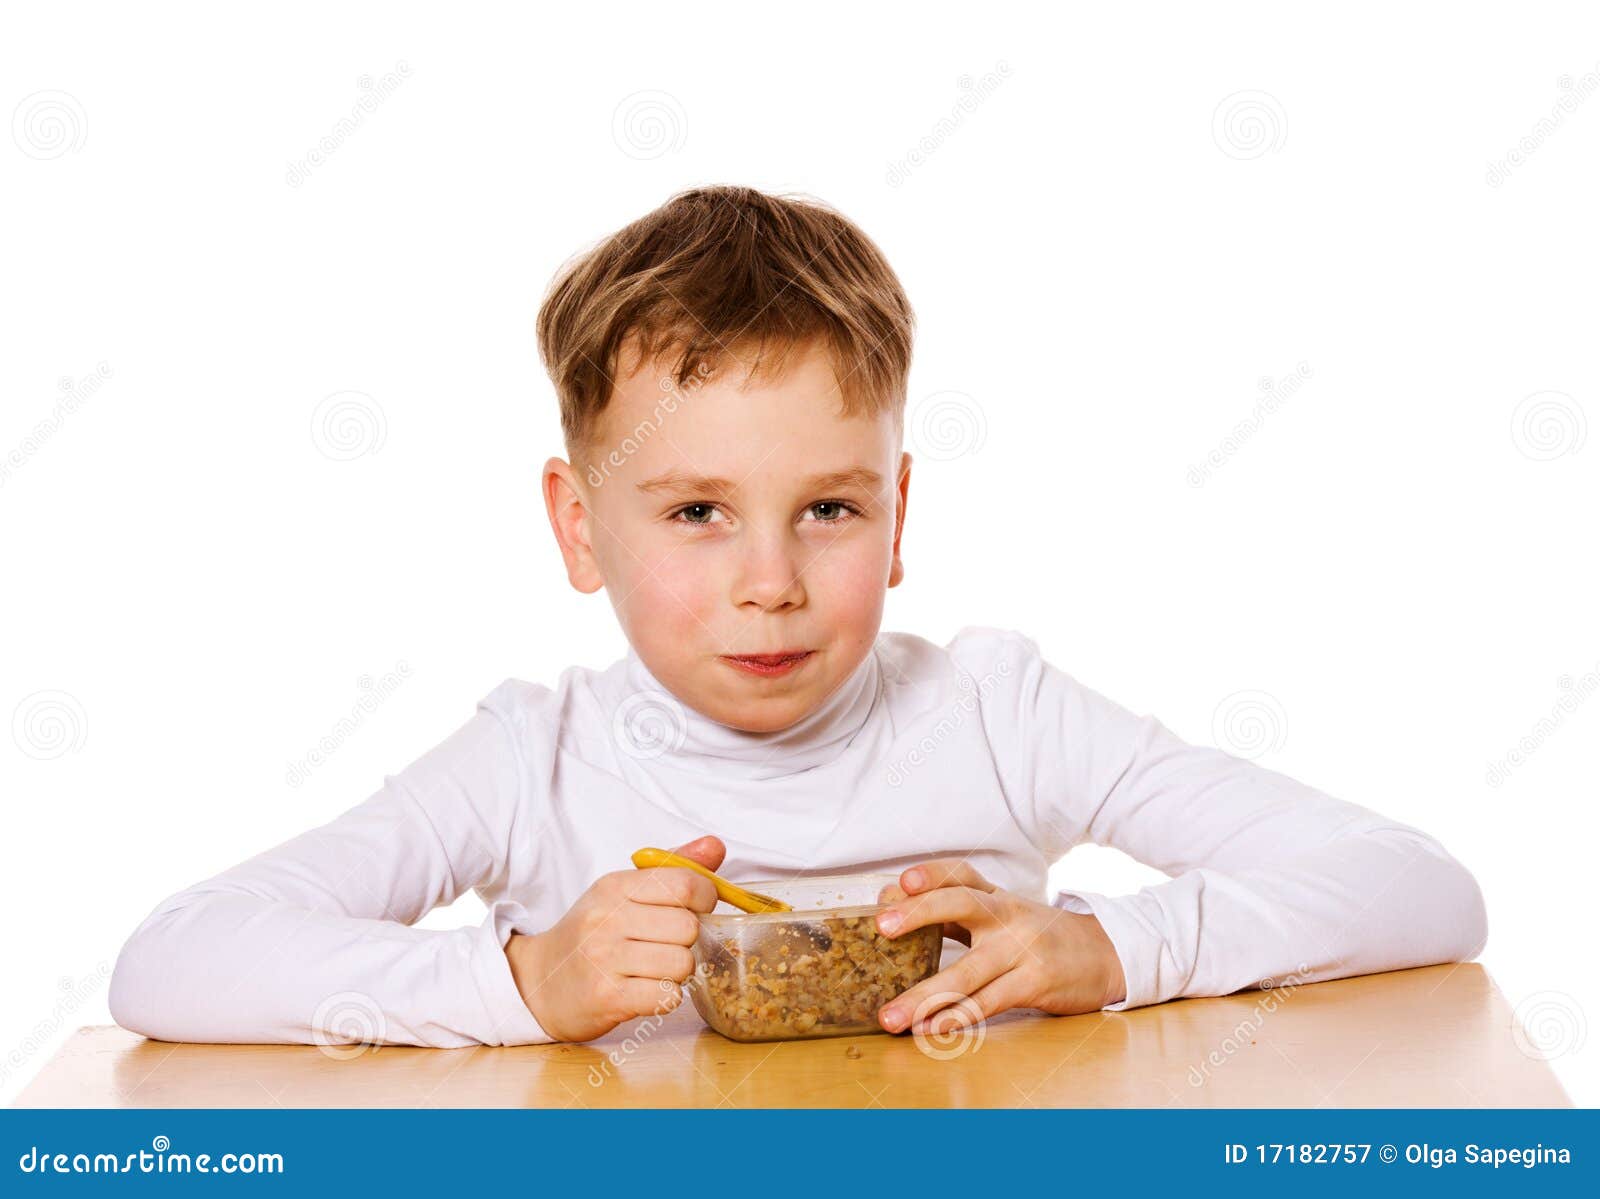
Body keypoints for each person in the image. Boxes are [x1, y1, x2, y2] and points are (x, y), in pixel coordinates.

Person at [108, 185, 1486, 1049]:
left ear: (897, 515)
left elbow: (1423, 887)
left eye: (826, 509)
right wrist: (522, 983)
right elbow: (171, 966)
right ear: (578, 528)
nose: (769, 580)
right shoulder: (532, 764)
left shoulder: (999, 716)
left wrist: (1119, 948)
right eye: (696, 513)